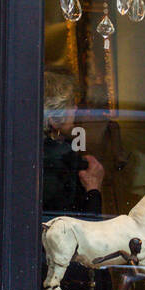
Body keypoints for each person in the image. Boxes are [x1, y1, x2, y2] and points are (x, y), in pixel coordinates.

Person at [41, 70, 104, 217]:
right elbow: (83, 229)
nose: (75, 109)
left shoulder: (42, 150)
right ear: (54, 120)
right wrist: (93, 188)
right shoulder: (57, 162)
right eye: (70, 105)